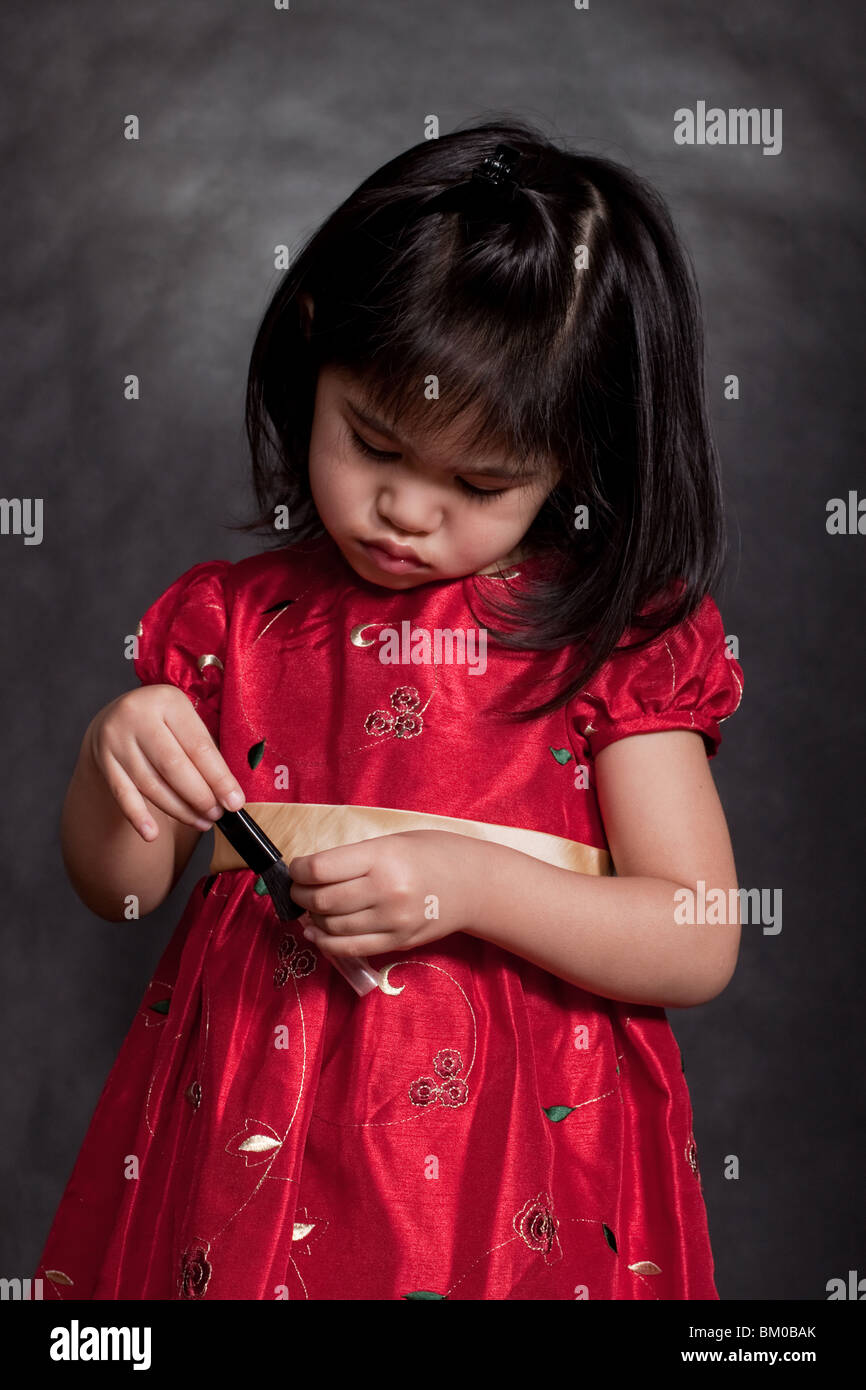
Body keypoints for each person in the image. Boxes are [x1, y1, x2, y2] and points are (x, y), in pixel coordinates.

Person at [35, 118, 745, 1301]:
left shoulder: (606, 643)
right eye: (372, 443)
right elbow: (122, 886)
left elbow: (697, 932)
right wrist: (115, 754)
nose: (404, 511)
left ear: (574, 461)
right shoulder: (230, 623)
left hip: (515, 1170)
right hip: (246, 1150)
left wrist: (469, 884)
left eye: (477, 485)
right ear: (313, 351)